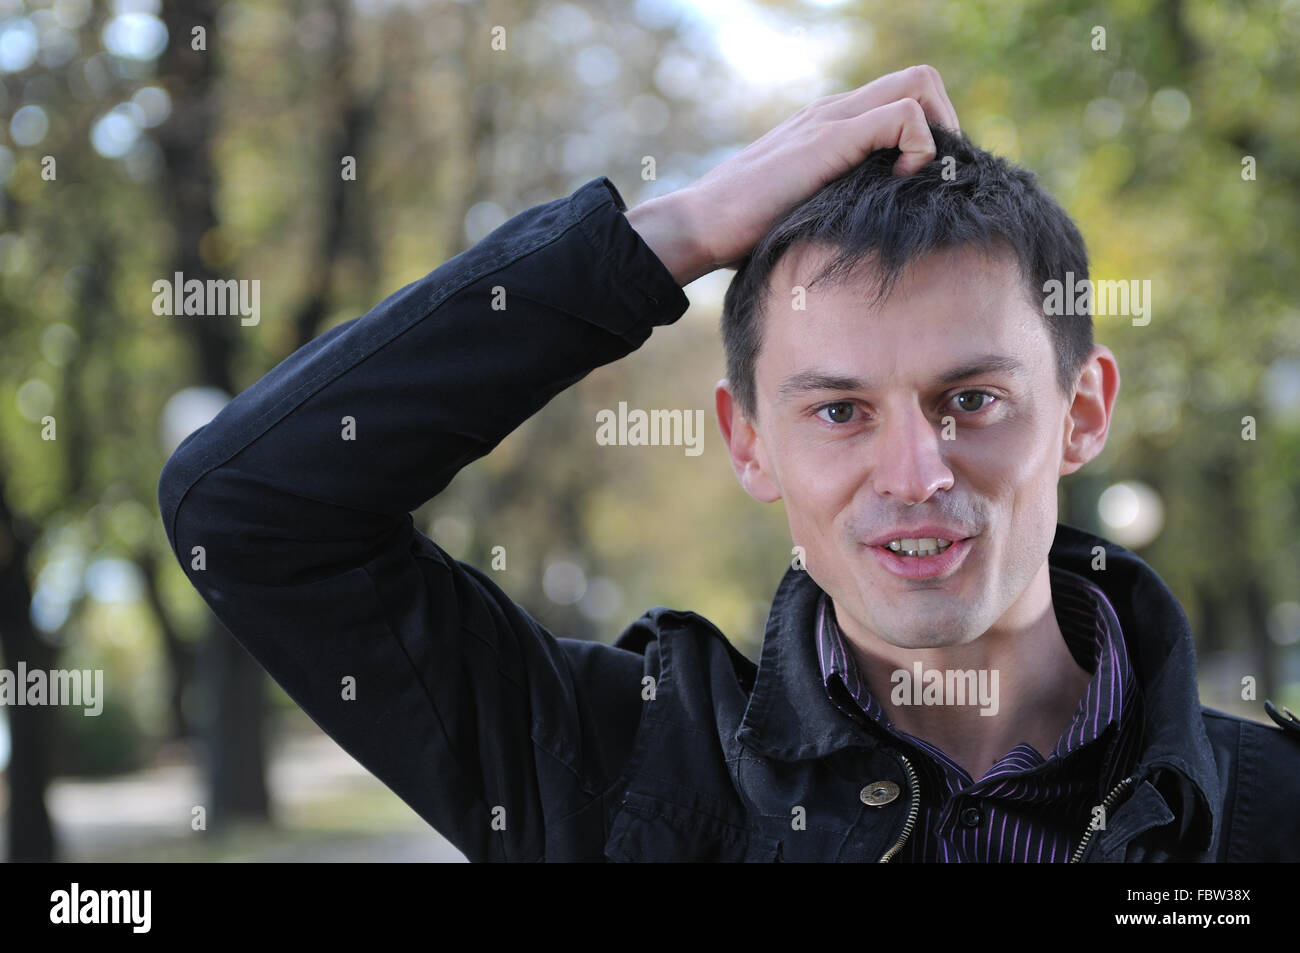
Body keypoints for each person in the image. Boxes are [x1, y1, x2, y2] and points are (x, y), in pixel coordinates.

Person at [158, 66, 1300, 861]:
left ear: (1081, 412)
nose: (915, 472)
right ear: (748, 439)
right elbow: (249, 513)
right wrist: (675, 233)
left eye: (972, 399)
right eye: (840, 410)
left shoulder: (1272, 815)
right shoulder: (620, 769)